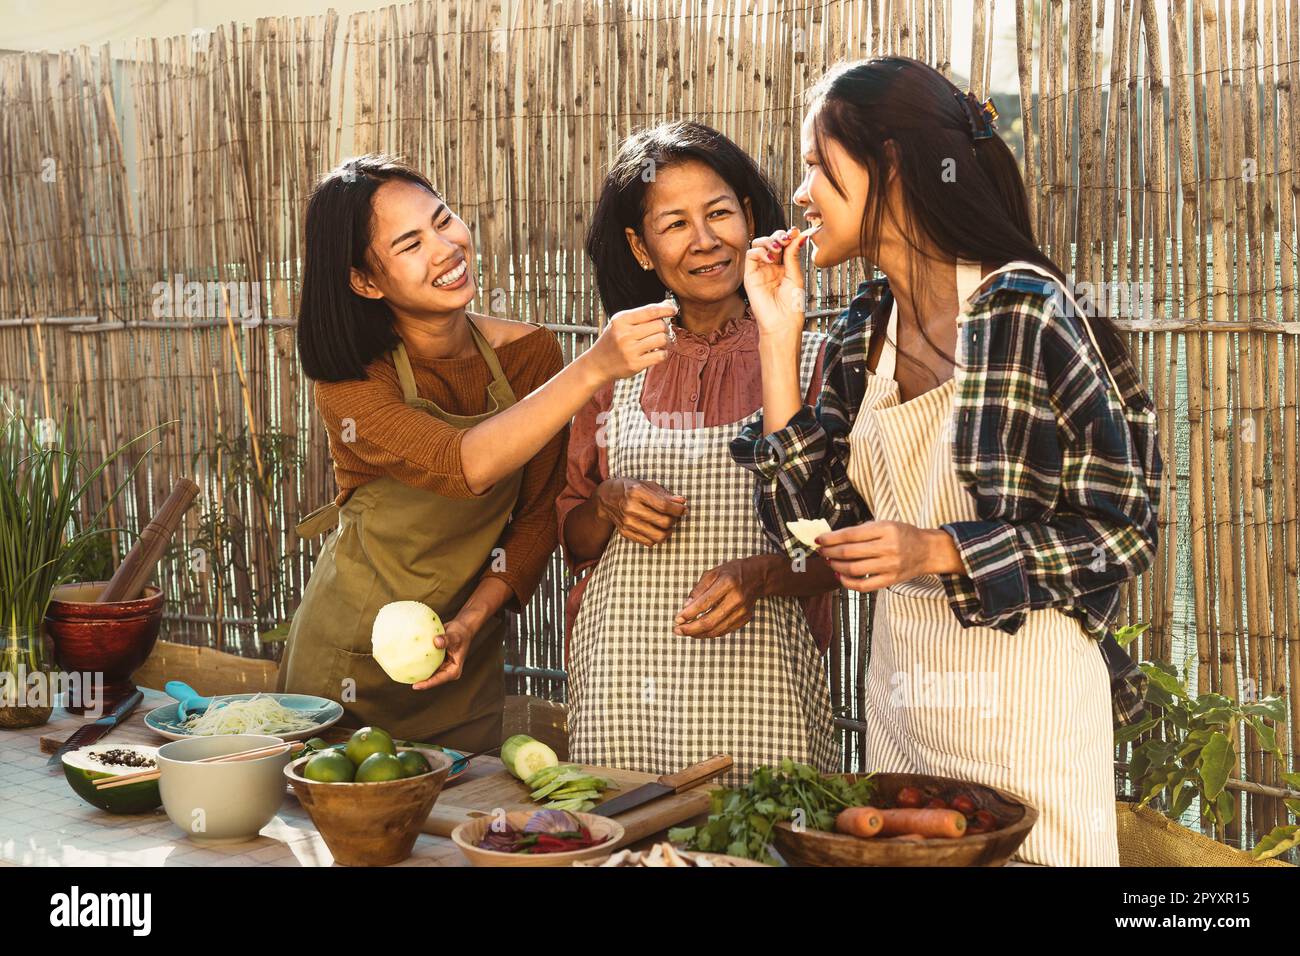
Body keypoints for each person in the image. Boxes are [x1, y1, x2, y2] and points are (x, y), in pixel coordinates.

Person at [731, 58, 1162, 865]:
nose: (800, 193)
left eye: (819, 165)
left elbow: (1122, 530)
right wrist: (777, 337)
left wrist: (938, 549)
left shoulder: (1027, 313)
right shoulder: (865, 328)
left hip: (1028, 712)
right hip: (907, 708)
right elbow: (808, 532)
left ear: (891, 167)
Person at [278, 155, 673, 750]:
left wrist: (471, 620)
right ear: (365, 280)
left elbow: (539, 515)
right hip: (346, 664)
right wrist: (593, 367)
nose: (445, 248)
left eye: (443, 220)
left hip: (463, 664)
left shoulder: (529, 355)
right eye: (410, 243)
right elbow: (463, 464)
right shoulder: (351, 382)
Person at [559, 122, 839, 785]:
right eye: (675, 223)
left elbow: (841, 550)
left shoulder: (811, 360)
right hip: (622, 692)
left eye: (719, 213)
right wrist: (606, 501)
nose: (706, 240)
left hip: (763, 693)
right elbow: (571, 537)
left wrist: (762, 575)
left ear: (750, 215)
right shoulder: (614, 364)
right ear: (641, 248)